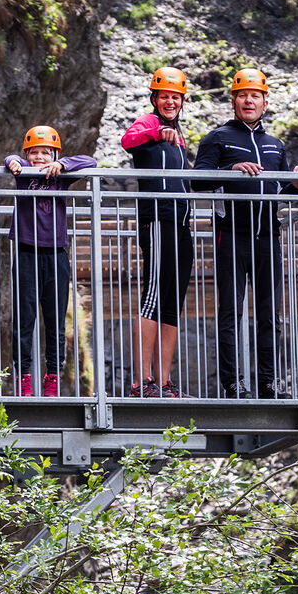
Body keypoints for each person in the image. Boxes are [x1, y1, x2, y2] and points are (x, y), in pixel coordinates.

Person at [194, 67, 298, 398]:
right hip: (230, 236)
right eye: (242, 95)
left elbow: (281, 191)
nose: (249, 101)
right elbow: (197, 181)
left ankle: (269, 384)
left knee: (270, 315)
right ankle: (232, 384)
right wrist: (230, 169)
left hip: (268, 238)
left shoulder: (275, 145)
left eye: (255, 96)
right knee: (231, 314)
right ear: (233, 101)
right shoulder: (217, 138)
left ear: (265, 103)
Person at [4, 125, 97, 396]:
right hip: (26, 253)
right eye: (34, 152)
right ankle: (24, 376)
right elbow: (10, 159)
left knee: (55, 320)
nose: (40, 158)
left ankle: (53, 376)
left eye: (46, 153)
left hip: (56, 254)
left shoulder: (60, 176)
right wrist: (14, 161)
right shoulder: (23, 172)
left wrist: (63, 164)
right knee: (24, 319)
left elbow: (90, 162)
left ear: (54, 155)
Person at [120, 66, 193, 397]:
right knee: (152, 298)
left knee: (172, 302)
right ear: (154, 98)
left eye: (175, 97)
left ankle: (164, 382)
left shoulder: (179, 135)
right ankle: (142, 382)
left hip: (180, 222)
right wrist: (156, 133)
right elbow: (128, 140)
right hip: (158, 219)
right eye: (164, 97)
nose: (170, 102)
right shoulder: (149, 123)